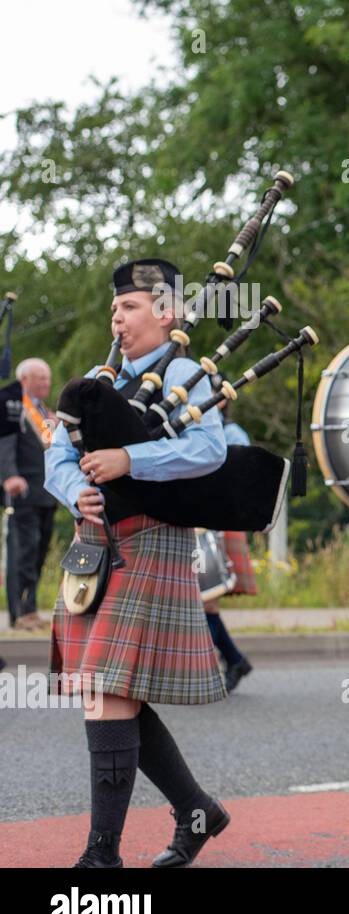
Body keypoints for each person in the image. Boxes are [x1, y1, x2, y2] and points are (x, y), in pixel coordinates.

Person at [46, 258, 231, 868]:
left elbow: (209, 450)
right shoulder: (99, 380)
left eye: (128, 307)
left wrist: (130, 460)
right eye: (114, 308)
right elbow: (58, 450)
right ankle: (198, 811)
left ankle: (102, 857)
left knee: (106, 691)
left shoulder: (187, 375)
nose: (116, 318)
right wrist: (76, 489)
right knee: (110, 691)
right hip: (95, 547)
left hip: (153, 540)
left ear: (165, 311)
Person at [1, 357, 60, 631]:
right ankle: (19, 612)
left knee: (39, 550)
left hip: (46, 491)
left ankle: (31, 608)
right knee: (23, 551)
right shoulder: (14, 407)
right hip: (23, 490)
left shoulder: (44, 411)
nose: (46, 382)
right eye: (40, 378)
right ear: (24, 379)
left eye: (47, 378)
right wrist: (9, 475)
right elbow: (6, 443)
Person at [202, 400, 256, 690]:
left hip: (220, 523)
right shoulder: (194, 430)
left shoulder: (232, 434)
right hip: (198, 521)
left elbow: (243, 481)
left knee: (206, 599)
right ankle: (233, 659)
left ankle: (219, 664)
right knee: (200, 600)